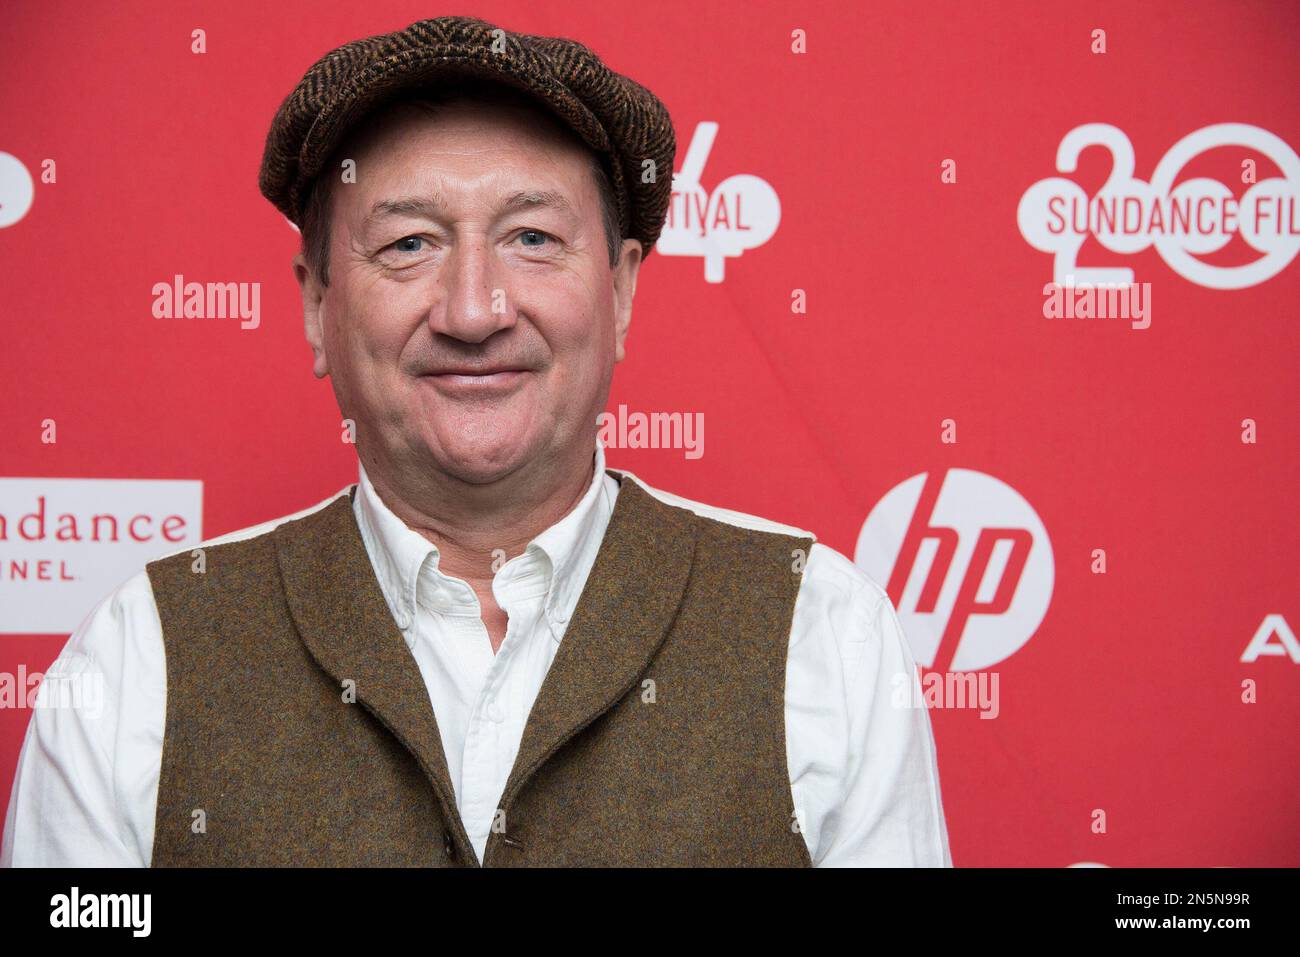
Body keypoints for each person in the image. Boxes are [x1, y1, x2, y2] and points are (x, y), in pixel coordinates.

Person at [1, 15, 951, 867]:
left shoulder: (822, 632)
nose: (473, 309)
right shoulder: (142, 658)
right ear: (317, 304)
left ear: (620, 293)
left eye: (533, 237)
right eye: (409, 244)